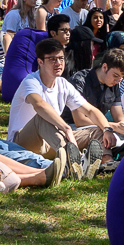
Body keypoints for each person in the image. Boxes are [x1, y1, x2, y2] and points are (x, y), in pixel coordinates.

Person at [8, 38, 110, 175]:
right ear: (40, 62)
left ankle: (106, 164)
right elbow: (39, 105)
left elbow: (90, 110)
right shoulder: (30, 82)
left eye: (61, 58)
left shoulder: (63, 84)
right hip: (23, 144)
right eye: (52, 59)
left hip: (52, 141)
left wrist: (107, 129)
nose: (58, 63)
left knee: (97, 130)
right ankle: (76, 163)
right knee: (42, 118)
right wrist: (66, 128)